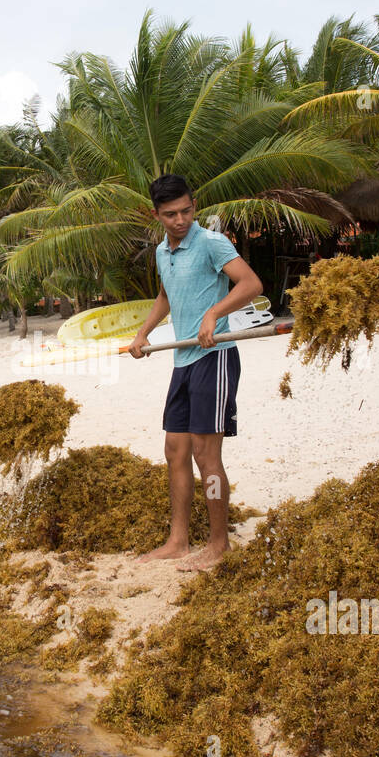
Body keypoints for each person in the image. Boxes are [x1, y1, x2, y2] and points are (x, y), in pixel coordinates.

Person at [129, 174, 263, 572]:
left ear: (194, 206)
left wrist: (214, 313)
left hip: (215, 357)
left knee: (207, 454)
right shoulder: (161, 253)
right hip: (183, 360)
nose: (180, 220)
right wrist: (143, 332)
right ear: (157, 215)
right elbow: (167, 295)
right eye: (170, 214)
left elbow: (251, 283)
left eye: (186, 210)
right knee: (176, 451)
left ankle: (218, 543)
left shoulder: (210, 242)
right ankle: (178, 541)